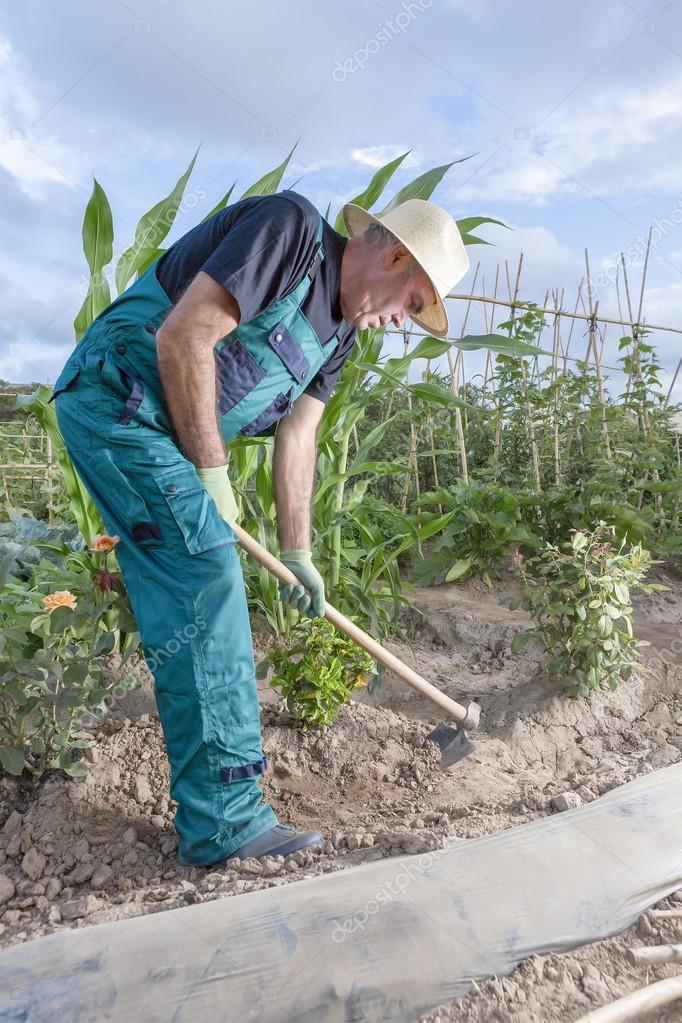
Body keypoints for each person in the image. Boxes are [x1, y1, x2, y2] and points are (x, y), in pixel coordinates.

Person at [49, 188, 469, 867]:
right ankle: (224, 827)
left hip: (158, 433)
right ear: (394, 255)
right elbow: (183, 335)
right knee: (205, 569)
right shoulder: (291, 232)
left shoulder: (339, 337)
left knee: (203, 566)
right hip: (118, 397)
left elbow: (299, 438)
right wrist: (214, 474)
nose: (401, 321)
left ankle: (224, 815)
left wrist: (300, 553)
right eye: (412, 302)